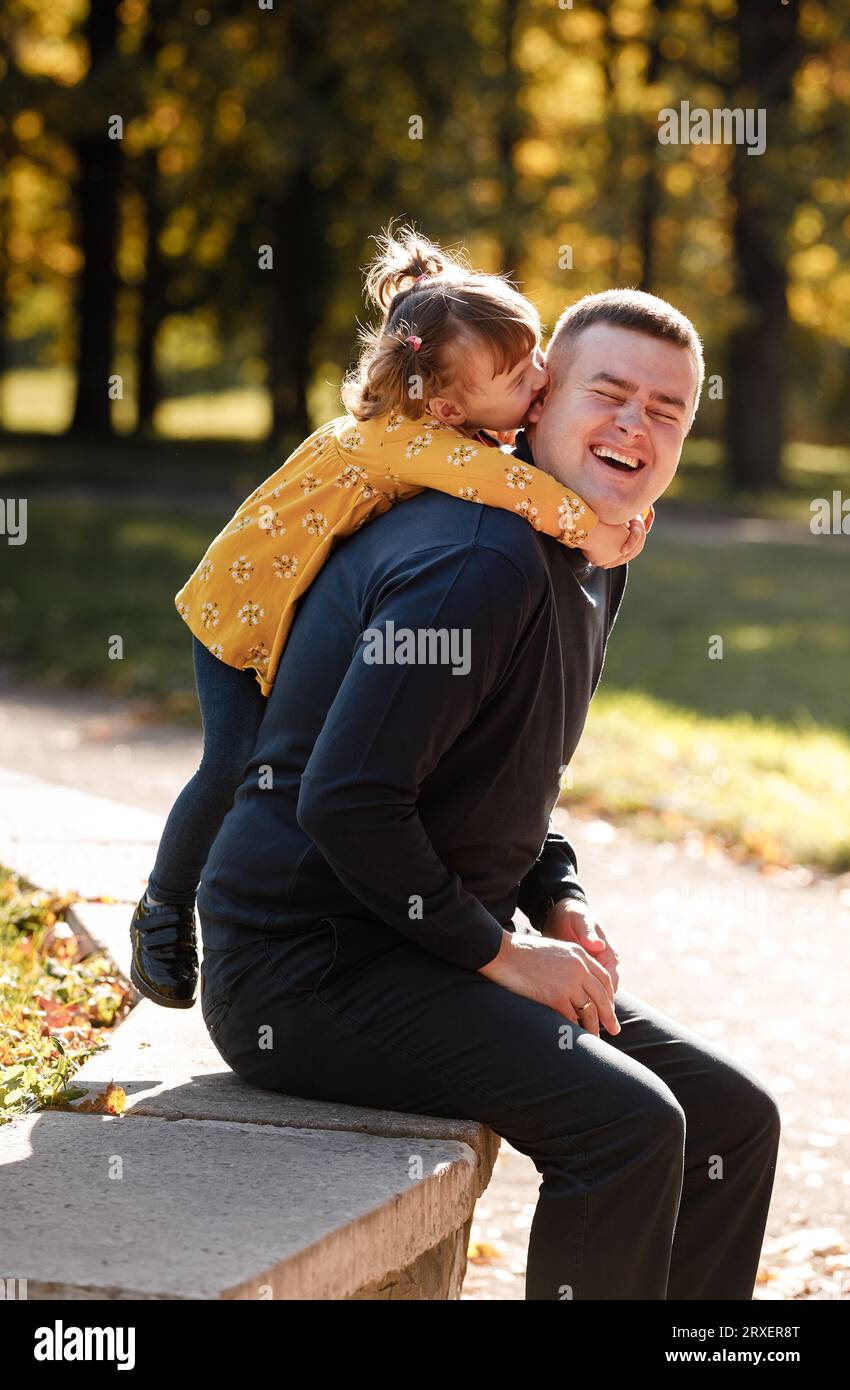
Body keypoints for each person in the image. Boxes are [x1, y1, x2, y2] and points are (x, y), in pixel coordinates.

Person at [195, 287, 781, 1300]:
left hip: (417, 944)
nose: (633, 425)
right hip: (301, 971)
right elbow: (347, 801)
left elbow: (499, 773)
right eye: (607, 392)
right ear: (540, 393)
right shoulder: (479, 559)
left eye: (665, 410)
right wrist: (504, 953)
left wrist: (559, 895)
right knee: (628, 1128)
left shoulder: (588, 551)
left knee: (733, 1118)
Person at [129, 228, 651, 1009]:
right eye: (520, 376)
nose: (543, 379)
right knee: (238, 763)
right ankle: (164, 910)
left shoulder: (450, 427)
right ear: (448, 405)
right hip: (238, 619)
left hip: (288, 607)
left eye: (540, 352)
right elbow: (515, 491)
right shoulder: (410, 442)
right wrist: (597, 528)